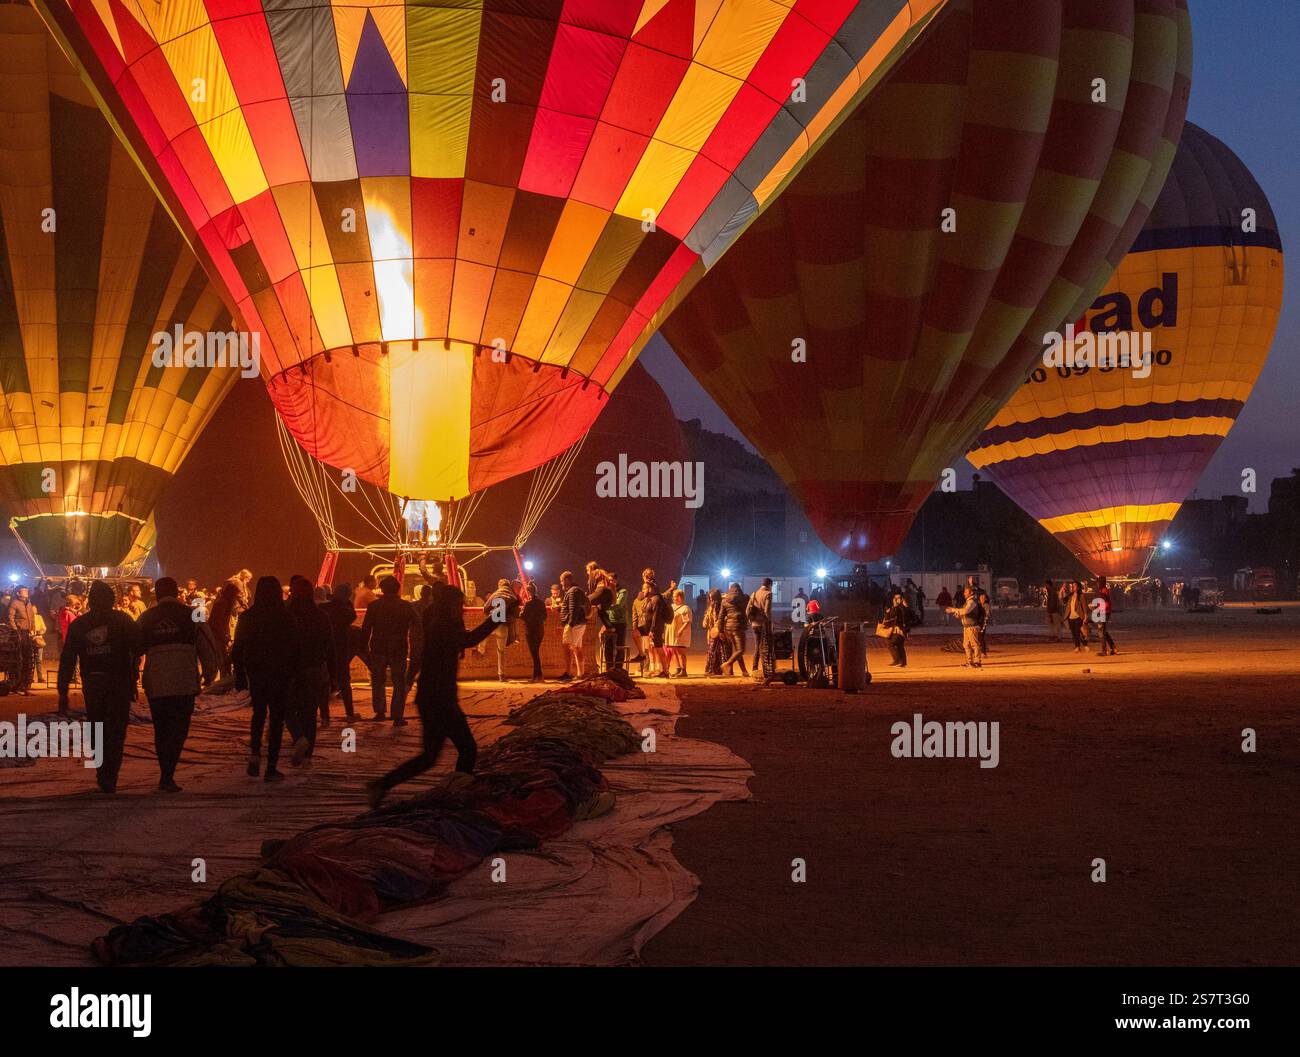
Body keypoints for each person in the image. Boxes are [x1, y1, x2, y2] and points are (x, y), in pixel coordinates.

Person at [366, 582, 497, 809]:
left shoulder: (432, 618)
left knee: (429, 756)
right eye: (459, 604)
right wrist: (498, 618)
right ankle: (457, 797)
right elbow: (469, 639)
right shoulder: (444, 626)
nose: (462, 609)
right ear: (450, 605)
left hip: (431, 695)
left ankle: (383, 784)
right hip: (441, 698)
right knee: (467, 748)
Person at [57, 581, 141, 793]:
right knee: (116, 729)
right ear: (112, 600)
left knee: (96, 726)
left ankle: (102, 770)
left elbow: (68, 659)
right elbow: (139, 646)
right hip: (119, 682)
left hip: (93, 684)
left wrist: (63, 691)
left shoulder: (80, 624)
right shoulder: (122, 620)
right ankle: (110, 774)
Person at [137, 577, 217, 792]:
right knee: (179, 728)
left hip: (157, 682)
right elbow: (207, 646)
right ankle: (169, 773)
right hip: (184, 680)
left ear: (157, 594)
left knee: (161, 729)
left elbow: (134, 649)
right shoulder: (195, 613)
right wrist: (210, 673)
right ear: (178, 592)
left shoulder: (146, 617)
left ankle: (165, 773)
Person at [232, 576, 304, 781]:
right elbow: (295, 647)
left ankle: (255, 754)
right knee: (276, 718)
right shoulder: (286, 617)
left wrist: (239, 674)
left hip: (257, 671)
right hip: (280, 672)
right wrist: (296, 674)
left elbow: (238, 648)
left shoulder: (248, 617)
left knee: (259, 713)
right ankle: (271, 767)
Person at [362, 575, 422, 724]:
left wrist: (365, 650)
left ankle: (380, 711)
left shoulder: (374, 606)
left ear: (382, 589)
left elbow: (365, 630)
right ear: (397, 589)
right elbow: (418, 625)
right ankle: (397, 715)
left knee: (378, 681)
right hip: (398, 649)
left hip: (378, 648)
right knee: (399, 683)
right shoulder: (406, 606)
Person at [288, 575, 332, 748]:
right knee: (310, 709)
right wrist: (332, 673)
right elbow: (329, 644)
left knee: (289, 706)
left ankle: (299, 737)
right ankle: (308, 753)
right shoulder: (321, 615)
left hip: (291, 669)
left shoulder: (287, 615)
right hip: (314, 666)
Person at [323, 582, 358, 722]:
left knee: (323, 685)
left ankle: (325, 716)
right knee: (344, 682)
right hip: (340, 649)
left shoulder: (324, 608)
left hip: (325, 650)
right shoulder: (346, 611)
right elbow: (352, 616)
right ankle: (350, 714)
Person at [483, 578, 520, 681]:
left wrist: (490, 614)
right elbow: (516, 613)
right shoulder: (513, 597)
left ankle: (480, 648)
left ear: (499, 586)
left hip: (492, 622)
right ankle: (501, 675)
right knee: (501, 651)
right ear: (509, 586)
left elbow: (485, 608)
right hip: (503, 625)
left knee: (483, 634)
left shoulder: (494, 594)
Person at [557, 570, 589, 681]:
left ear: (566, 580)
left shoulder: (572, 591)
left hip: (574, 624)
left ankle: (569, 672)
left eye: (562, 581)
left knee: (568, 647)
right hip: (579, 623)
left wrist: (570, 624)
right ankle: (580, 673)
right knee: (577, 648)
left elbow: (573, 609)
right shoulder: (576, 590)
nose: (561, 583)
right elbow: (574, 607)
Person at [8, 585, 38, 694]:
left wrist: (33, 631)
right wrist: (16, 631)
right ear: (18, 593)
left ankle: (25, 685)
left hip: (28, 634)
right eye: (24, 590)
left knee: (28, 660)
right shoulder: (15, 603)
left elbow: (32, 618)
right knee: (19, 660)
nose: (27, 592)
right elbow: (10, 618)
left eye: (27, 590)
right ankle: (15, 685)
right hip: (19, 633)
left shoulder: (29, 603)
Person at [208, 581, 240, 678]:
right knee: (223, 664)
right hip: (217, 636)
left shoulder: (223, 602)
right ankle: (222, 685)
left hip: (219, 636)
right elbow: (217, 623)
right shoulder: (223, 603)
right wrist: (224, 637)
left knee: (224, 663)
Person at [946, 588, 984, 669]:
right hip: (967, 626)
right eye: (964, 592)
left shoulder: (972, 601)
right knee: (966, 645)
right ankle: (969, 662)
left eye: (966, 592)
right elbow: (964, 612)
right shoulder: (968, 602)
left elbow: (966, 611)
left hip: (972, 626)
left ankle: (977, 662)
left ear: (971, 593)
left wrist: (953, 610)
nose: (964, 593)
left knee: (974, 644)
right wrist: (957, 613)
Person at [747, 577, 774, 680]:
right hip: (763, 624)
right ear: (769, 585)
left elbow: (747, 610)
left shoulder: (754, 594)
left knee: (757, 646)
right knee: (765, 646)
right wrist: (768, 621)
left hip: (754, 624)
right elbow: (767, 610)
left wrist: (751, 620)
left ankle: (754, 667)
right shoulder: (768, 594)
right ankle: (766, 669)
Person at [520, 581, 547, 682]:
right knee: (535, 653)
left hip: (530, 631)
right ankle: (537, 676)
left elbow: (521, 616)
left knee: (534, 654)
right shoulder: (541, 603)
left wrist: (522, 610)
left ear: (528, 592)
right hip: (540, 630)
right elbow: (545, 616)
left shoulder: (528, 603)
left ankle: (538, 676)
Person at [720, 581, 749, 677]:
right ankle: (727, 664)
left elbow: (721, 616)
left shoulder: (724, 601)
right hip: (739, 627)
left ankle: (744, 671)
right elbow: (748, 598)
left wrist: (720, 630)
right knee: (741, 650)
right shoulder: (744, 598)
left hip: (728, 628)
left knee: (737, 650)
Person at [882, 589, 915, 668]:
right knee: (900, 645)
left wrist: (888, 612)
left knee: (890, 643)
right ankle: (903, 662)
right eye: (896, 598)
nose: (897, 600)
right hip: (898, 630)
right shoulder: (897, 608)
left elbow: (893, 618)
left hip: (900, 630)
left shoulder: (901, 608)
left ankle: (897, 660)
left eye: (899, 598)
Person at [665, 589, 692, 677]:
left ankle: (684, 671)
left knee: (681, 652)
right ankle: (678, 668)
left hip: (680, 634)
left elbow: (687, 621)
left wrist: (681, 630)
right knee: (674, 651)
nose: (673, 599)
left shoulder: (685, 608)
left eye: (675, 597)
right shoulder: (672, 607)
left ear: (680, 597)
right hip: (672, 633)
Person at [605, 572, 629, 672]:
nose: (610, 582)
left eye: (612, 580)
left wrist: (605, 607)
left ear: (616, 580)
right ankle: (609, 668)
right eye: (608, 580)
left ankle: (618, 668)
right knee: (608, 645)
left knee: (620, 645)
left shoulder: (622, 592)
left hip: (620, 622)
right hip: (610, 622)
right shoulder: (607, 592)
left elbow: (618, 605)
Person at [701, 588, 726, 676]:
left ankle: (713, 669)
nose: (711, 600)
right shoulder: (710, 607)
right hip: (712, 631)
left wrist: (719, 630)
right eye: (710, 598)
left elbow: (720, 619)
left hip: (718, 631)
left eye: (713, 598)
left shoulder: (720, 606)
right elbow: (707, 621)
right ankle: (714, 670)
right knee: (714, 650)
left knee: (718, 651)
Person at [1094, 576, 1117, 656]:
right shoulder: (1104, 590)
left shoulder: (1103, 591)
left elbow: (1106, 604)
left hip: (1104, 612)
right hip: (1105, 612)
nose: (1097, 584)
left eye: (1098, 582)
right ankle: (1113, 647)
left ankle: (1104, 651)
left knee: (1101, 632)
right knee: (1104, 631)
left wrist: (1096, 607)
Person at [1064, 580, 1087, 652]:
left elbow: (1084, 606)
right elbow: (1062, 600)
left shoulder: (1081, 596)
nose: (1073, 587)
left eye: (1075, 585)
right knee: (1073, 633)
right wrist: (1062, 590)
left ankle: (1078, 646)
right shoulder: (1070, 595)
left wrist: (1085, 616)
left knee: (1077, 631)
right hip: (1071, 616)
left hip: (1078, 616)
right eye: (1072, 586)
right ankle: (1082, 644)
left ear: (1079, 587)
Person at [977, 589, 992, 657]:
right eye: (981, 597)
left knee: (981, 637)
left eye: (983, 598)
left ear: (985, 599)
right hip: (977, 623)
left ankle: (983, 652)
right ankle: (979, 651)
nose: (982, 599)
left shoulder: (986, 605)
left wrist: (985, 619)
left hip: (983, 623)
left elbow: (988, 614)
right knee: (978, 637)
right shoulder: (978, 604)